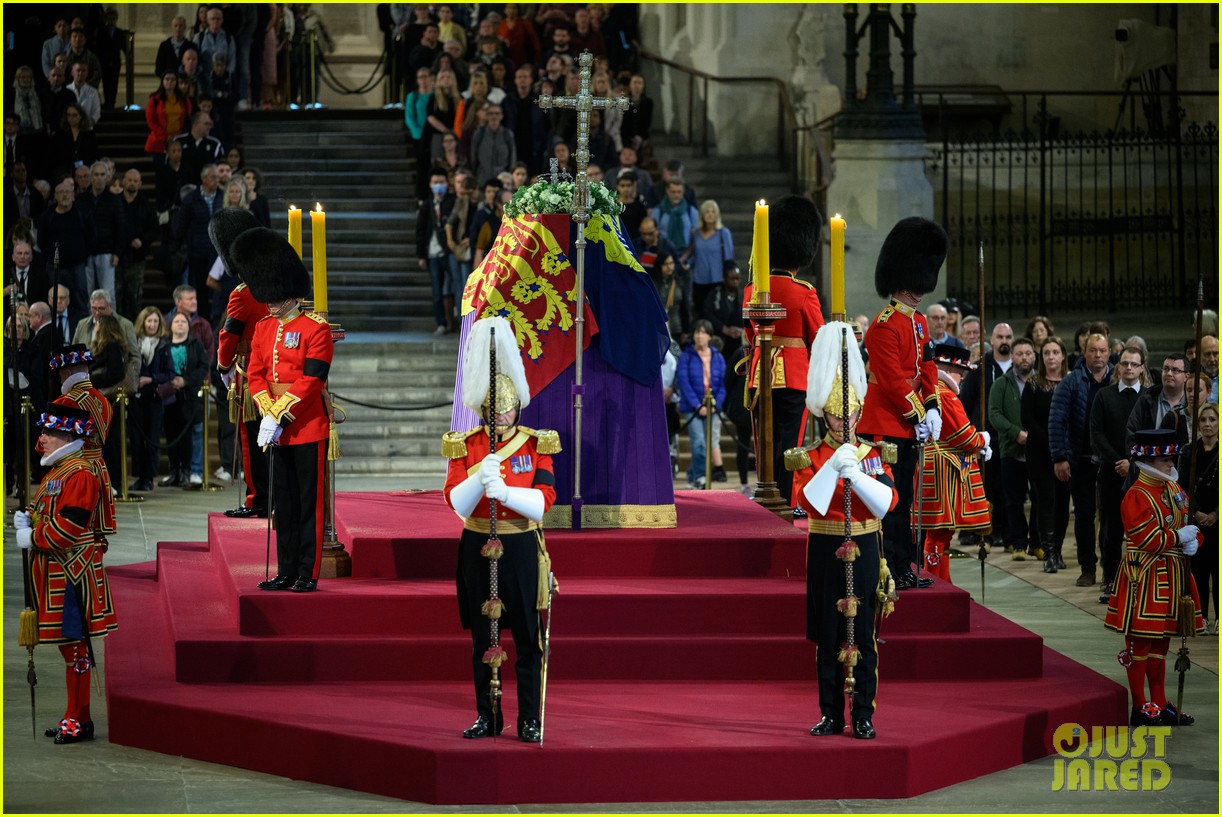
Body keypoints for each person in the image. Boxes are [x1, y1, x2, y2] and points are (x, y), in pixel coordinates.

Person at [442, 316, 558, 743]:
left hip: (521, 547)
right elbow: (456, 502)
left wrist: (504, 491)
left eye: (507, 409)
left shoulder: (535, 443)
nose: (500, 415)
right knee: (483, 638)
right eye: (494, 409)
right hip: (476, 543)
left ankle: (528, 717)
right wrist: (478, 478)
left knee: (528, 638)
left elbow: (543, 502)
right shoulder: (465, 443)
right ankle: (487, 715)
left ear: (518, 408)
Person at [789, 320, 897, 740]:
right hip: (824, 545)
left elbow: (888, 503)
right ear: (825, 413)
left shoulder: (873, 453)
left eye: (849, 412)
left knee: (865, 634)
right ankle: (831, 712)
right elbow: (807, 501)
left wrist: (860, 475)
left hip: (867, 542)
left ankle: (864, 713)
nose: (843, 420)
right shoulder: (812, 456)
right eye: (836, 413)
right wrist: (833, 467)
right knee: (828, 634)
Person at [14, 403, 118, 744]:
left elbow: (68, 529)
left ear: (67, 436)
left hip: (72, 573)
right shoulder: (60, 470)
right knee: (70, 648)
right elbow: (46, 508)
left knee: (75, 648)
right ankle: (76, 716)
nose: (40, 439)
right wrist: (29, 516)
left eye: (47, 433)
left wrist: (33, 535)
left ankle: (78, 718)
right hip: (58, 571)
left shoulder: (79, 473)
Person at [242, 228, 334, 593]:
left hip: (306, 426)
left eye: (275, 298)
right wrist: (266, 409)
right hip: (274, 427)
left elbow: (312, 381)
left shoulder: (316, 329)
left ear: (290, 294)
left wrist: (279, 412)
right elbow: (256, 373)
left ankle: (306, 572)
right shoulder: (265, 329)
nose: (269, 304)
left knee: (307, 503)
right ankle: (284, 570)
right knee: (283, 503)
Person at [857, 217, 945, 589]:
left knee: (906, 499)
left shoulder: (919, 322)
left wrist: (934, 405)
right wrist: (919, 412)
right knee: (891, 500)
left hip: (906, 423)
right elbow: (892, 380)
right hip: (884, 425)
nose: (920, 292)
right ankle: (891, 566)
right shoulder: (883, 324)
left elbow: (926, 367)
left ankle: (904, 565)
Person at [1104, 428, 1204, 726]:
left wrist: (1194, 541)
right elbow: (1146, 538)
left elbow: (1191, 525)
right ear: (1148, 461)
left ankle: (1159, 702)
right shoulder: (1136, 494)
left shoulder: (1176, 490)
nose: (1171, 462)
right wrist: (1178, 537)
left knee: (1161, 644)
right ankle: (1139, 704)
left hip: (1173, 575)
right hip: (1145, 577)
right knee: (1140, 644)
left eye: (1171, 457)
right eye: (1164, 459)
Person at [211, 208, 270, 518]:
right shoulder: (276, 290)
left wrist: (223, 367)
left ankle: (257, 498)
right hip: (278, 371)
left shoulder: (243, 293)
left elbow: (228, 334)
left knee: (251, 440)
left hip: (249, 374)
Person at [916, 344, 992, 582]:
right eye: (961, 372)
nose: (963, 378)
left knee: (939, 535)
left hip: (934, 468)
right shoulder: (944, 395)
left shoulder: (932, 392)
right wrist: (983, 440)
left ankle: (942, 579)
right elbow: (963, 435)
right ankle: (937, 581)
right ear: (949, 369)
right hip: (942, 472)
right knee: (939, 534)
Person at [1049, 331, 1113, 587]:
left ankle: (1111, 570)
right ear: (1084, 352)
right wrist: (1060, 457)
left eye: (1102, 350)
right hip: (1081, 459)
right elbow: (1056, 420)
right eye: (1093, 350)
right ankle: (1087, 567)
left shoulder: (1117, 380)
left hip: (1110, 461)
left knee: (1109, 517)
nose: (1098, 354)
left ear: (1109, 353)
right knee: (1084, 516)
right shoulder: (1072, 381)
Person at [1091, 345, 1147, 601]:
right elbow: (1097, 433)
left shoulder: (1148, 398)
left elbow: (1149, 437)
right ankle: (1111, 581)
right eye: (1124, 363)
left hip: (1142, 474)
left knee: (1141, 530)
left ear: (1142, 368)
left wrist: (1132, 463)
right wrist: (1119, 461)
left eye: (1134, 364)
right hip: (1111, 472)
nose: (1129, 368)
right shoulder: (1105, 395)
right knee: (1111, 530)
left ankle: (1141, 583)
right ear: (1117, 366)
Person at [48, 344, 115, 536]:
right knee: (95, 529)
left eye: (60, 374)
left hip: (73, 471)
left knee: (73, 524)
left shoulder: (64, 402)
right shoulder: (104, 400)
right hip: (98, 467)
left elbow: (45, 444)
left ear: (68, 372)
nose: (60, 378)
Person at [1023, 336, 1071, 574]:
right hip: (1040, 453)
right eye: (1047, 353)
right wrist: (1051, 444)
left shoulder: (1072, 382)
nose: (1051, 357)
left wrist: (1061, 447)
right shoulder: (1034, 383)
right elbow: (1028, 419)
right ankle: (1048, 553)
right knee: (1045, 502)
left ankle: (1059, 550)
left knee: (1062, 503)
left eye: (1055, 352)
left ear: (1063, 355)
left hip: (1065, 453)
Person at [988, 336, 1037, 559]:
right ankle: (1018, 543)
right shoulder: (1002, 384)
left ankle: (1037, 542)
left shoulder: (1042, 382)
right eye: (1020, 354)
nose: (1024, 357)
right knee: (1014, 500)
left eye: (1028, 353)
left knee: (1039, 499)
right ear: (1013, 357)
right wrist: (1015, 432)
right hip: (1010, 449)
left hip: (1038, 452)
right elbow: (994, 414)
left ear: (1034, 356)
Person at [1179, 402, 1218, 632]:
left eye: (1212, 419)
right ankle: (1200, 616)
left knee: (1218, 571)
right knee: (1199, 571)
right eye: (1203, 420)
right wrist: (1196, 513)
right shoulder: (1188, 451)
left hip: (1218, 518)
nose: (1207, 425)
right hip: (1196, 519)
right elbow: (1182, 487)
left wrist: (1216, 514)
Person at [160, 311, 206, 488]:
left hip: (188, 396)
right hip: (168, 396)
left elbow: (202, 367)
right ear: (170, 326)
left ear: (188, 326)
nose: (180, 324)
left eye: (183, 322)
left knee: (186, 436)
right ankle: (174, 472)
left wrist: (185, 380)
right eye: (176, 321)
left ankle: (186, 472)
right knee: (171, 434)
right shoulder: (164, 345)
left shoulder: (195, 344)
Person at [677, 320, 726, 488]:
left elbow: (722, 385)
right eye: (697, 332)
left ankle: (693, 475)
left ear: (709, 336)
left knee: (708, 444)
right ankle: (700, 477)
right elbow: (684, 382)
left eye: (703, 332)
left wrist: (715, 405)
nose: (699, 336)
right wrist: (698, 405)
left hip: (712, 406)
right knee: (698, 443)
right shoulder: (686, 356)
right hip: (693, 407)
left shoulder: (718, 357)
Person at [128, 306, 171, 492]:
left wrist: (151, 379)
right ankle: (139, 476)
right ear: (143, 322)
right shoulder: (134, 342)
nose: (152, 324)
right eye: (149, 321)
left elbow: (169, 373)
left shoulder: (163, 344)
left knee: (152, 439)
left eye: (155, 321)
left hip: (154, 397)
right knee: (136, 439)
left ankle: (149, 478)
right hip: (136, 397)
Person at [416, 168, 457, 335]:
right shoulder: (427, 204)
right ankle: (441, 322)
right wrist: (421, 254)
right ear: (430, 185)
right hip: (432, 253)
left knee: (458, 284)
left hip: (449, 251)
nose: (438, 185)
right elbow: (420, 230)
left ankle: (459, 319)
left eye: (441, 182)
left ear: (447, 184)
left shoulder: (452, 201)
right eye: (435, 183)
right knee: (437, 291)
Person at [1126, 353, 1191, 454]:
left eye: (1175, 370)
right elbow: (1132, 433)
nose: (1169, 373)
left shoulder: (1191, 403)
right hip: (1149, 463)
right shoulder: (1147, 400)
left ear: (1186, 376)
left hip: (1181, 464)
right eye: (1165, 369)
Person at [682, 199, 734, 318]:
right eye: (707, 212)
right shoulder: (695, 233)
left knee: (716, 313)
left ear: (717, 214)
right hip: (699, 279)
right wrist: (688, 263)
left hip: (717, 279)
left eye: (713, 211)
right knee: (700, 312)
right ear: (702, 214)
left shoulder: (723, 233)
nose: (710, 214)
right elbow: (694, 254)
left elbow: (729, 257)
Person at [145, 72, 194, 164]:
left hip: (179, 139)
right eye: (167, 79)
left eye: (173, 79)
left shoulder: (183, 99)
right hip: (160, 139)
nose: (170, 82)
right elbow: (151, 120)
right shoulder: (155, 99)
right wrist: (165, 136)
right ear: (162, 81)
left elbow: (188, 115)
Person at [704, 261, 745, 364]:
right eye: (732, 279)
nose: (735, 282)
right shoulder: (715, 294)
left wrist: (743, 331)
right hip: (721, 338)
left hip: (739, 339)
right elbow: (707, 313)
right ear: (724, 279)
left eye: (738, 279)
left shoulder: (743, 294)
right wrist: (724, 328)